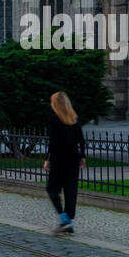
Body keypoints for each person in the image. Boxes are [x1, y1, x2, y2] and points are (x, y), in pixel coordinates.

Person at [43, 90, 86, 234]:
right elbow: (81, 140)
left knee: (52, 189)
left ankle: (64, 220)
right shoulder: (74, 119)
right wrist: (82, 157)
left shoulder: (54, 120)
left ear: (56, 104)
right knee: (70, 191)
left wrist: (47, 160)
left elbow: (53, 143)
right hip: (73, 159)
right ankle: (69, 222)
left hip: (59, 160)